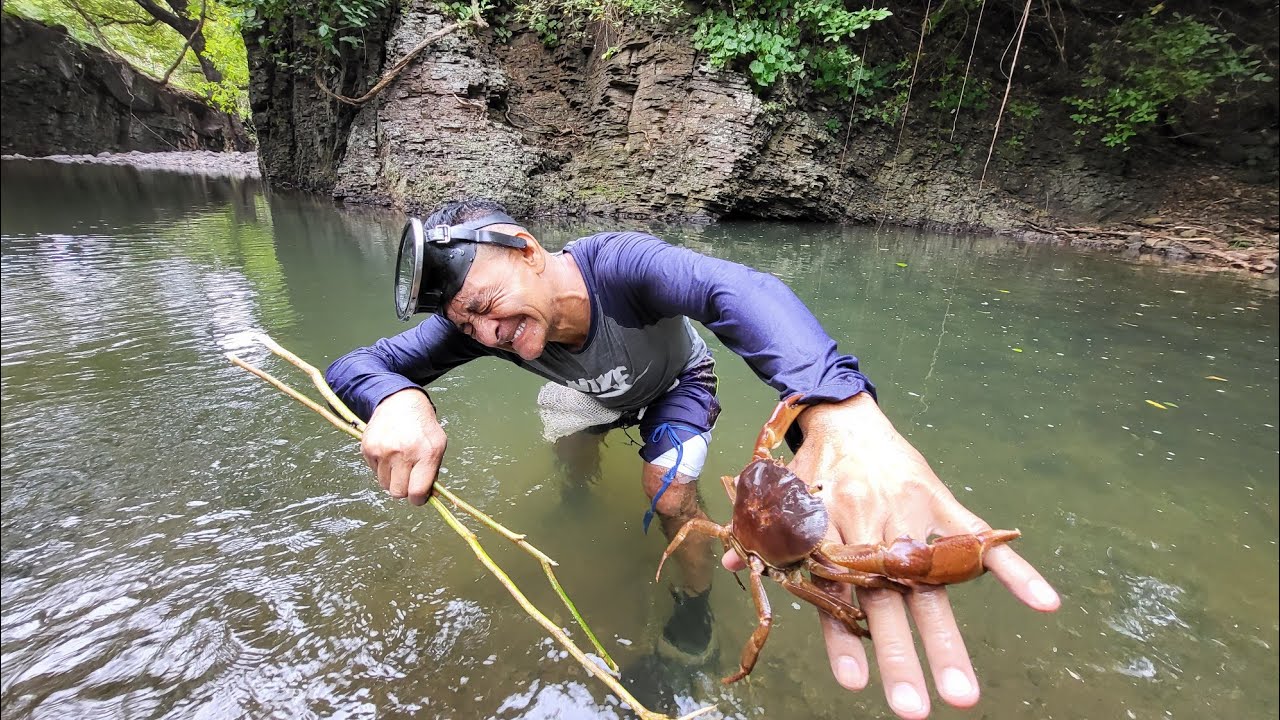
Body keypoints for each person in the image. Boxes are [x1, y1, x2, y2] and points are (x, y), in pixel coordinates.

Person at [325, 198, 1061, 720]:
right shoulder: (482, 325)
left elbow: (733, 289)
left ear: (526, 248)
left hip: (676, 384)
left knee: (669, 495)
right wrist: (396, 398)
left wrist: (836, 405)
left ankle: (696, 614)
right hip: (587, 397)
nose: (489, 330)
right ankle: (578, 495)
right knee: (572, 453)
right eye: (469, 324)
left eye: (489, 301)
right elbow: (357, 364)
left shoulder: (620, 268)